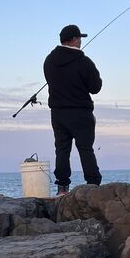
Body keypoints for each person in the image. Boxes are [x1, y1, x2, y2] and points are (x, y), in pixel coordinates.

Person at [43, 23, 103, 196]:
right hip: (80, 113)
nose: (80, 42)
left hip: (58, 114)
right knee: (85, 148)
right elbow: (95, 87)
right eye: (79, 39)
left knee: (62, 150)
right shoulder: (84, 62)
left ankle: (62, 188)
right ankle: (93, 184)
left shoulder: (49, 60)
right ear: (74, 40)